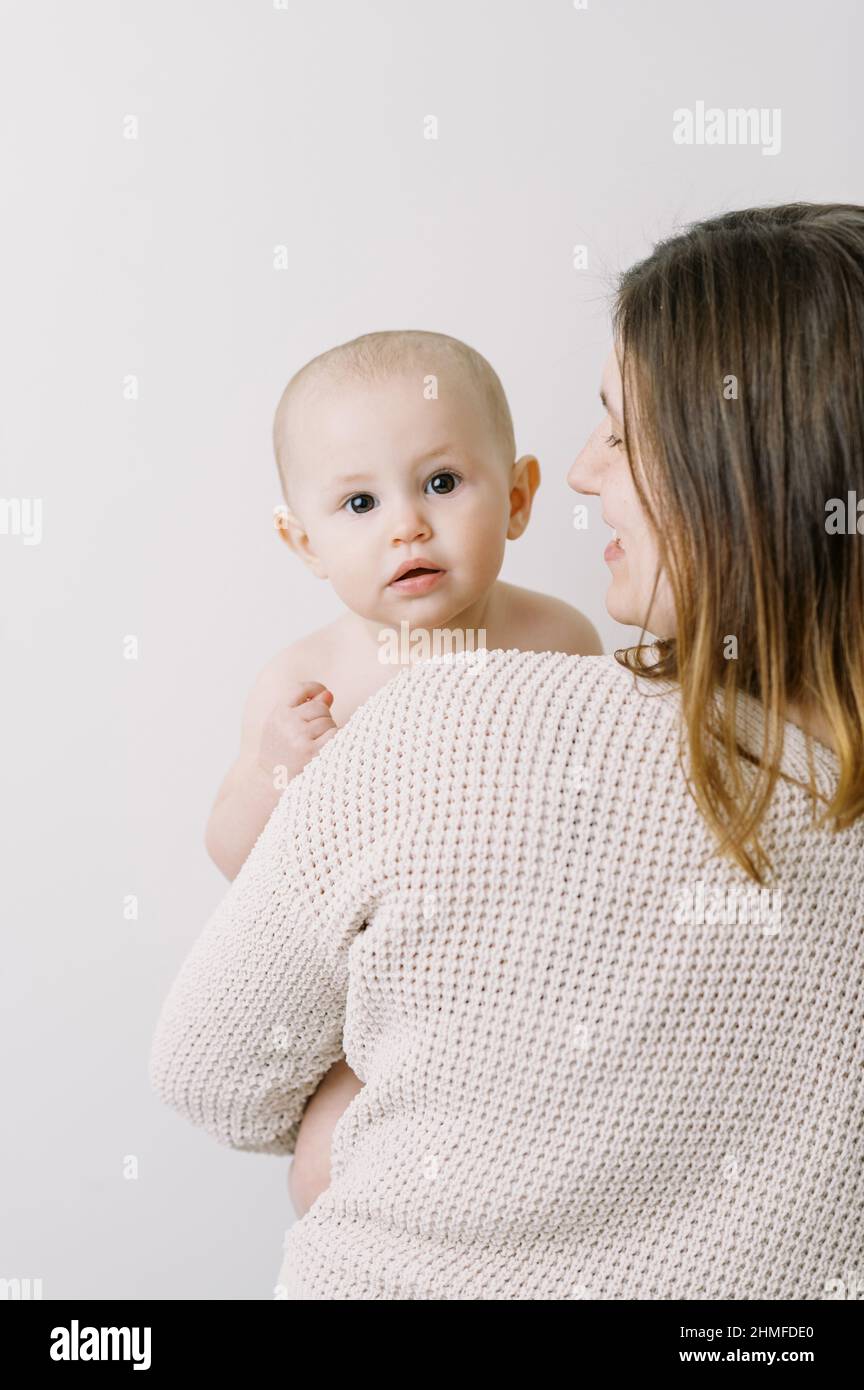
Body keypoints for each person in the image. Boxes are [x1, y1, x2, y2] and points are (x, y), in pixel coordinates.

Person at [150, 203, 864, 1300]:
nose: (585, 473)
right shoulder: (357, 690)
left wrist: (358, 1118)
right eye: (359, 501)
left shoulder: (465, 719)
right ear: (301, 538)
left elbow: (213, 1076)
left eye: (621, 432)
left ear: (743, 469)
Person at [203, 328, 602, 1216]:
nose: (406, 525)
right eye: (358, 505)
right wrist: (275, 767)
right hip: (382, 998)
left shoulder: (559, 639)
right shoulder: (309, 681)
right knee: (324, 1164)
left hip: (538, 971)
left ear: (520, 497)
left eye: (442, 484)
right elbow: (237, 859)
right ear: (303, 542)